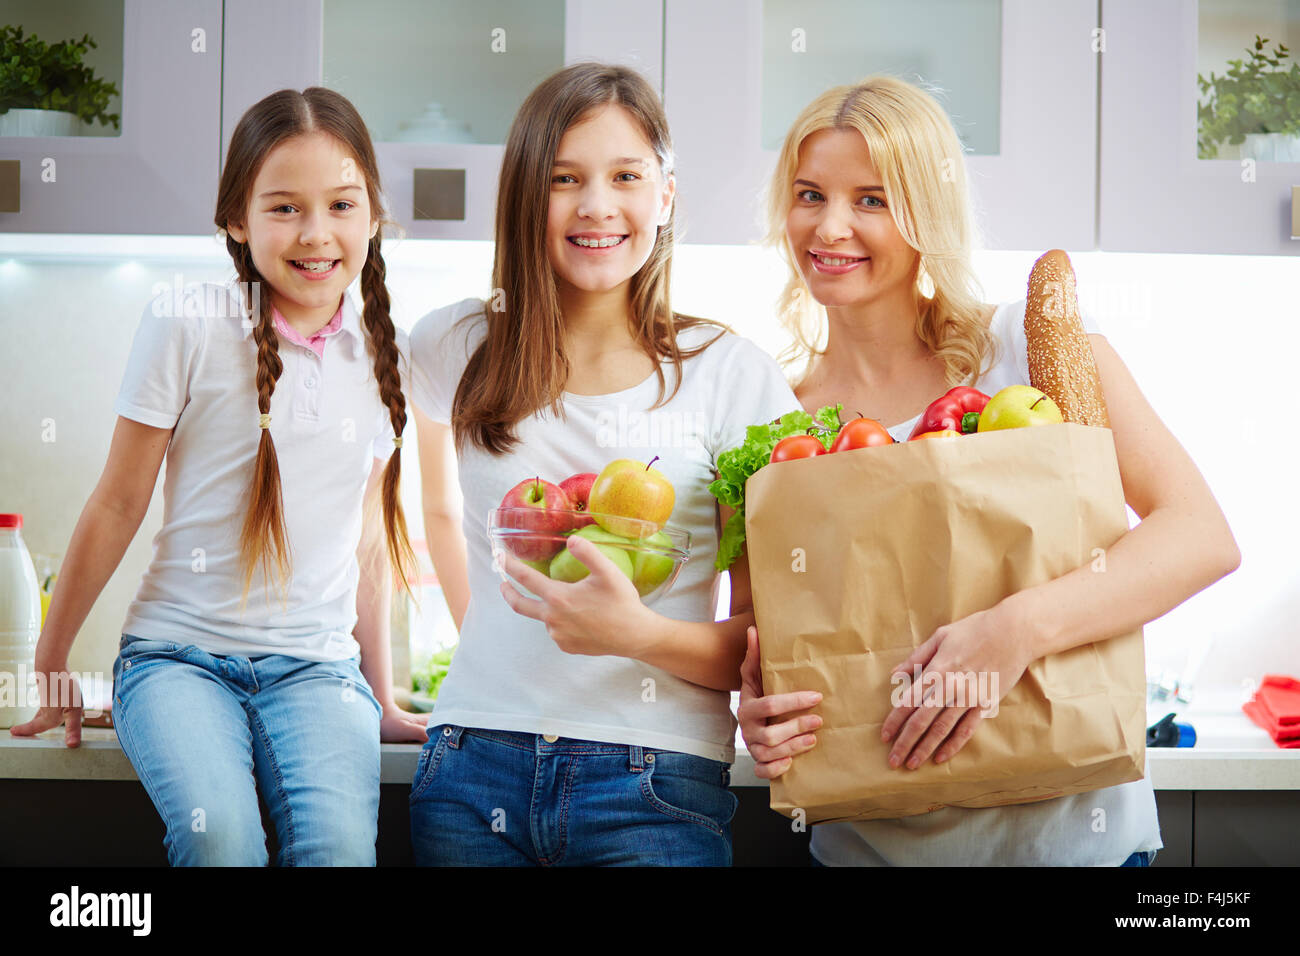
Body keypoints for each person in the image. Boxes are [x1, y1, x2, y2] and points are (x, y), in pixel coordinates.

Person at [737, 76, 1241, 866]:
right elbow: (769, 643)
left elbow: (1200, 537)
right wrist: (762, 713)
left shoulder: (1026, 347)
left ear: (926, 212)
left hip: (1070, 843)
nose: (830, 226)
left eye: (872, 199)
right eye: (809, 194)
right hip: (871, 849)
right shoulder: (775, 419)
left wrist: (1014, 632)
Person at [11, 87, 428, 865]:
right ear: (237, 219)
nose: (316, 233)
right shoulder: (188, 322)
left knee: (339, 851)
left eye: (341, 204)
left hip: (318, 671)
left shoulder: (386, 355)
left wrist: (383, 695)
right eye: (283, 208)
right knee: (222, 841)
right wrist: (53, 659)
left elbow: (365, 549)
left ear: (373, 213)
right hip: (176, 661)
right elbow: (117, 502)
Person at [407, 62, 799, 866]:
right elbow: (437, 511)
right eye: (563, 178)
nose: (596, 206)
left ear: (665, 195)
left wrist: (639, 635)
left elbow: (777, 635)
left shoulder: (731, 374)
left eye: (626, 175)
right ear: (524, 194)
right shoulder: (454, 345)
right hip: (472, 768)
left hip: (651, 780)